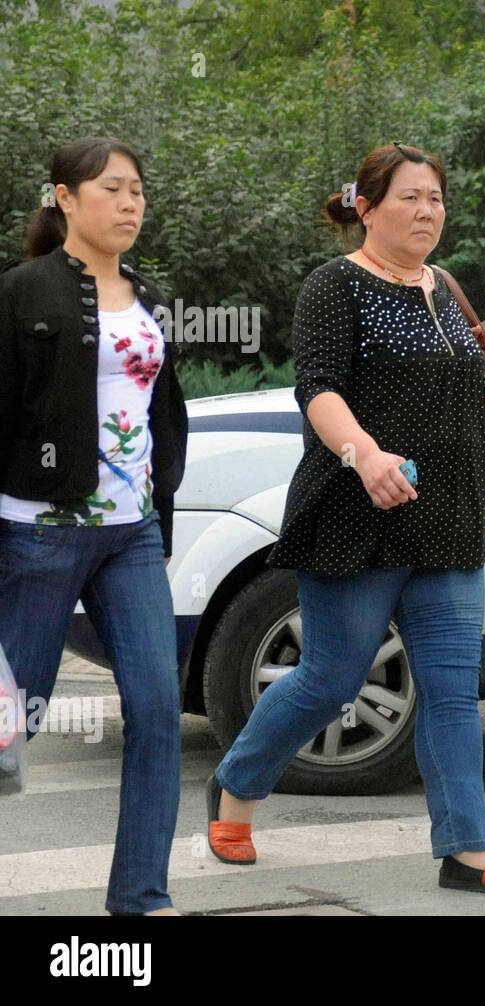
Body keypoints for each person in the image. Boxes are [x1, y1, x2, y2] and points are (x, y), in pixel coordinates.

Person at [206, 142, 485, 898]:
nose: (428, 211)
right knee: (331, 679)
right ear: (366, 205)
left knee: (453, 690)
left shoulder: (447, 287)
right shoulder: (336, 287)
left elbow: (453, 391)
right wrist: (365, 455)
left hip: (450, 517)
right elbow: (317, 388)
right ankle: (236, 786)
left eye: (436, 198)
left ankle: (466, 850)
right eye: (410, 198)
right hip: (359, 514)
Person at [0, 137, 189, 915]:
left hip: (130, 533)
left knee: (156, 710)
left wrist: (159, 498)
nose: (130, 203)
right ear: (65, 199)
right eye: (112, 189)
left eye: (138, 190)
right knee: (14, 722)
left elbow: (160, 413)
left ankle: (142, 898)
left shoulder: (146, 295)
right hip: (39, 532)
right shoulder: (19, 293)